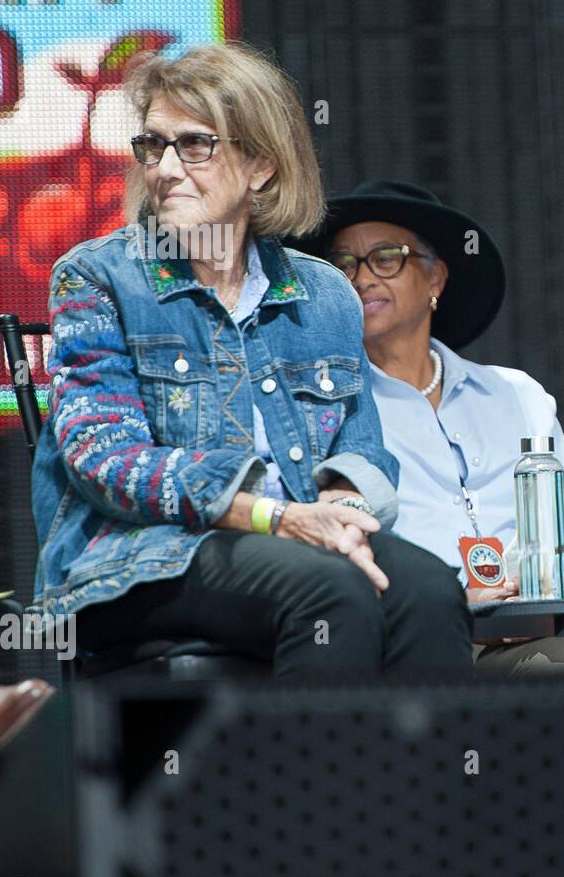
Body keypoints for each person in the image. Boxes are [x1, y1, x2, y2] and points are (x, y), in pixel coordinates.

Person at [31, 44, 473, 679]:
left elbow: (364, 451)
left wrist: (344, 517)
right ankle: (302, 781)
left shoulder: (323, 294)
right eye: (153, 146)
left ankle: (416, 780)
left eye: (196, 145)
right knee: (331, 591)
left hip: (294, 543)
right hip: (139, 560)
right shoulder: (99, 277)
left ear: (261, 165)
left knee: (428, 590)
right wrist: (279, 518)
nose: (166, 169)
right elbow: (104, 459)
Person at [304, 180, 564, 675]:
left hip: (537, 632)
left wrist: (555, 601)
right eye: (344, 264)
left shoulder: (516, 394)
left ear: (436, 280)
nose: (361, 277)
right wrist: (449, 597)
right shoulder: (326, 404)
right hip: (411, 636)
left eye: (386, 258)